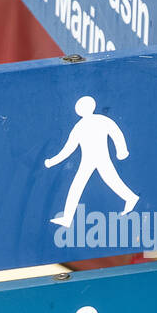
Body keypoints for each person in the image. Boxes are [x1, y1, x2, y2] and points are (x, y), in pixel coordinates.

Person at [45, 96, 139, 227]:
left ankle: (131, 198)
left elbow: (116, 133)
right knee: (79, 185)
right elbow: (68, 148)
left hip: (101, 158)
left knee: (109, 181)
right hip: (88, 161)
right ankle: (67, 218)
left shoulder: (98, 121)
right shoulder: (81, 126)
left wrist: (122, 151)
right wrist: (52, 162)